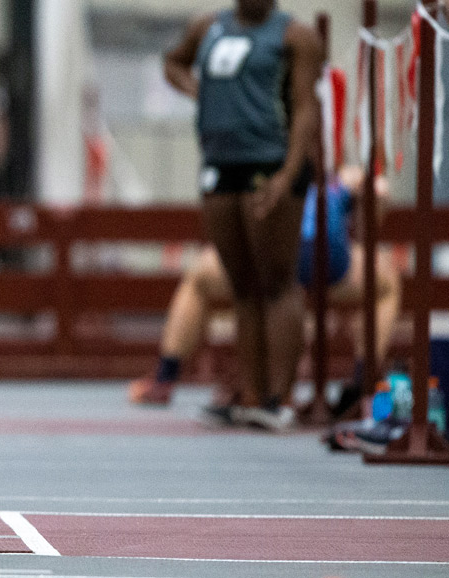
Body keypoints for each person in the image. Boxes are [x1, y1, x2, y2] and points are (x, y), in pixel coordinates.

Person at [163, 0, 320, 431]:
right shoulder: (207, 28)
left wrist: (287, 175)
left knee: (277, 283)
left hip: (270, 164)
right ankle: (251, 393)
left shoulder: (294, 36)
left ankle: (281, 396)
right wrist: (202, 93)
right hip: (219, 164)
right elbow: (173, 62)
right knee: (242, 285)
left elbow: (304, 109)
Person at [131, 169, 399, 421]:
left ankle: (165, 378)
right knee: (385, 283)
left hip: (270, 252)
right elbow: (380, 191)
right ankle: (362, 386)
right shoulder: (344, 177)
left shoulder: (271, 164)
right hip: (324, 257)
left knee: (201, 277)